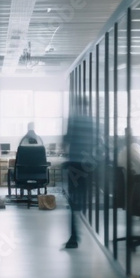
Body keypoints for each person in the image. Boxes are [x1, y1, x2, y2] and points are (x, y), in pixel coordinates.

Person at [63, 103, 97, 249]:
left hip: (75, 165)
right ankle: (80, 205)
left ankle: (74, 236)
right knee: (81, 197)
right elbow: (97, 142)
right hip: (88, 165)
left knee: (73, 201)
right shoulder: (92, 122)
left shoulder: (73, 120)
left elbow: (66, 141)